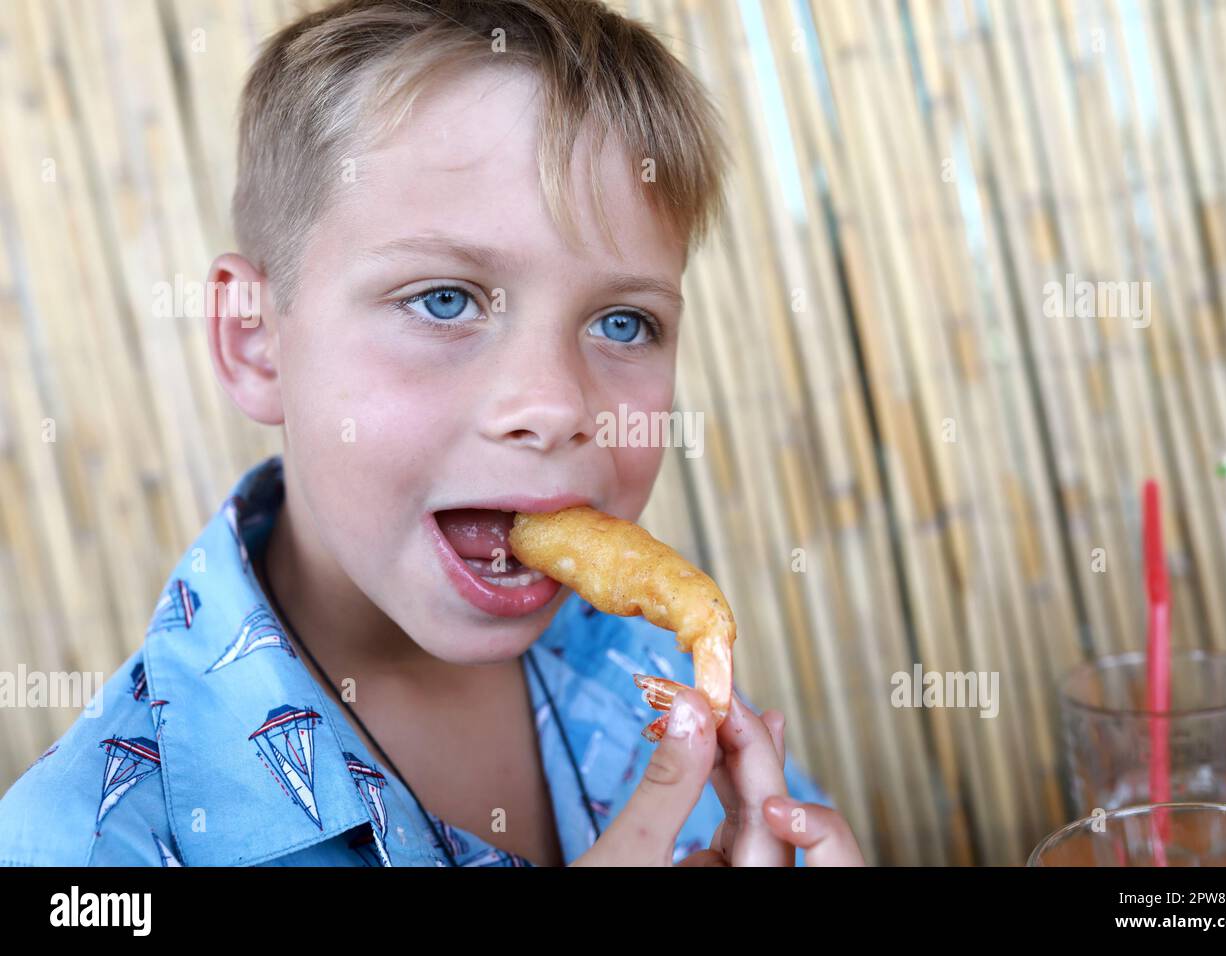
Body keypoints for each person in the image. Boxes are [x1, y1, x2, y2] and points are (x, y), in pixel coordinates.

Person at [0, 0, 863, 867]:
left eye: (624, 323)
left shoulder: (647, 663)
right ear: (254, 337)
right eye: (443, 300)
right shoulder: (85, 845)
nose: (558, 405)